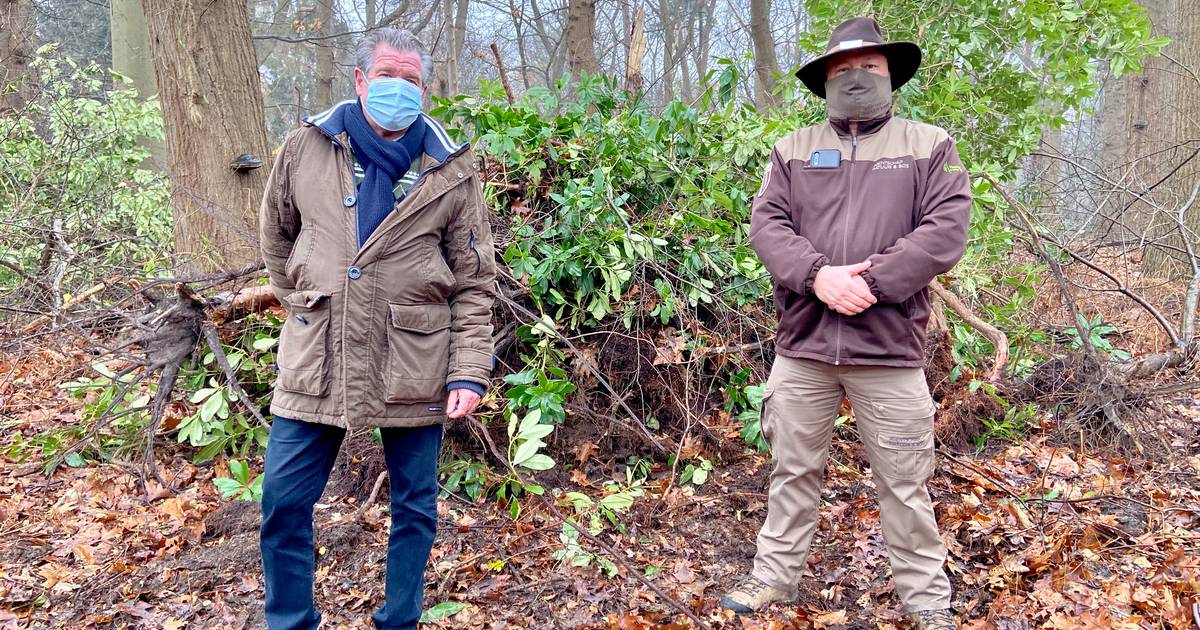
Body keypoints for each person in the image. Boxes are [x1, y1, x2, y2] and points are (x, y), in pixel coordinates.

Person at [718, 16, 970, 630]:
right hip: (803, 347)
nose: (857, 77)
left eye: (870, 67)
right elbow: (767, 227)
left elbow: (945, 231)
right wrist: (818, 277)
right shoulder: (793, 150)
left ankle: (926, 600)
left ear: (891, 75)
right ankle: (774, 578)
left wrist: (870, 283)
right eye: (843, 69)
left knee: (905, 482)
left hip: (889, 348)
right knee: (791, 470)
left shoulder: (928, 145)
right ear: (825, 80)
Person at [256, 28, 496, 630]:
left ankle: (400, 621)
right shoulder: (306, 147)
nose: (399, 88)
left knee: (415, 508)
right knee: (283, 502)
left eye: (412, 80)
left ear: (425, 89)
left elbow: (473, 281)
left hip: (415, 362)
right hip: (318, 358)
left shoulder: (449, 167)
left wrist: (469, 370)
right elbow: (277, 238)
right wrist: (308, 300)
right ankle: (291, 622)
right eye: (388, 75)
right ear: (361, 80)